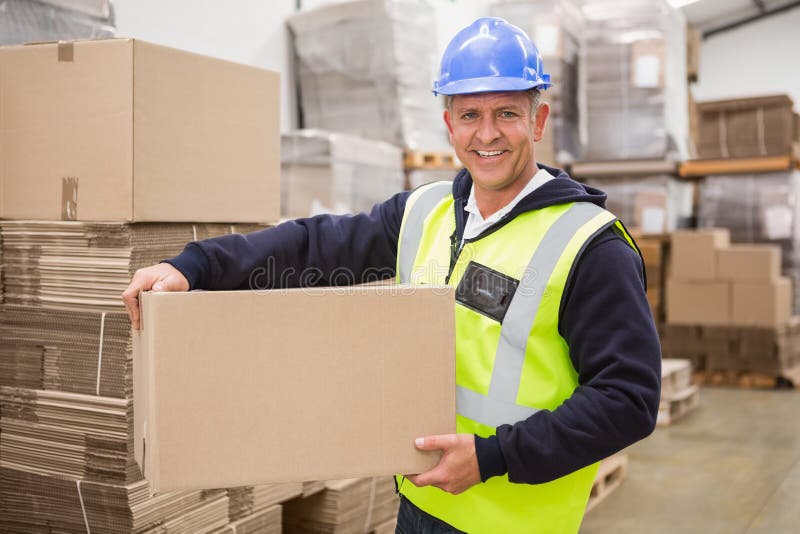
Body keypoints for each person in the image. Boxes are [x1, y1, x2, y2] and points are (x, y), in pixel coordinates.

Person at [123, 17, 660, 534]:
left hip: (512, 519)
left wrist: (492, 456)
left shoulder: (589, 245)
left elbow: (627, 398)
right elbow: (315, 245)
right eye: (470, 115)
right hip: (419, 504)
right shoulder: (424, 213)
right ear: (449, 124)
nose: (487, 133)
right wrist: (195, 266)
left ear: (538, 121)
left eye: (507, 113)